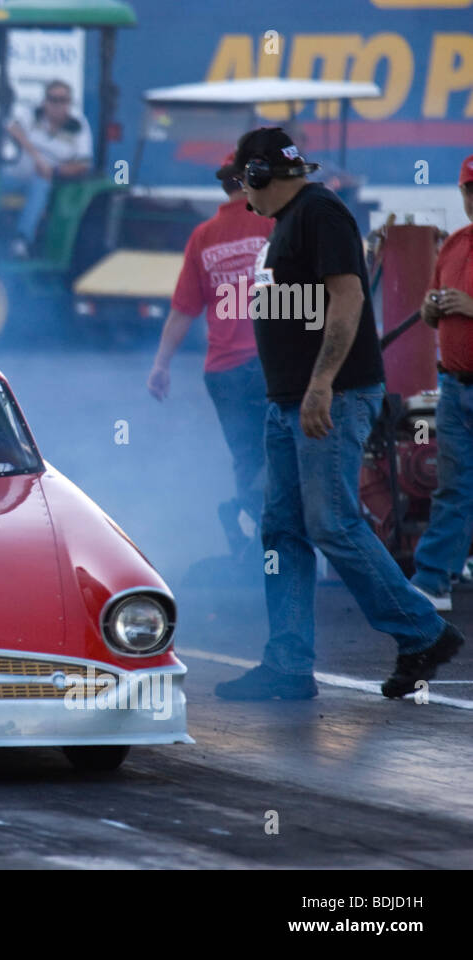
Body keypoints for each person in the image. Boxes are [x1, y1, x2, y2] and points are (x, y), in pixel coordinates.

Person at [212, 127, 464, 701]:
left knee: (332, 523)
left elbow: (347, 298)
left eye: (245, 184)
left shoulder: (319, 214)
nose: (244, 198)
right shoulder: (290, 224)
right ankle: (288, 665)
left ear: (257, 177)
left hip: (328, 398)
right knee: (283, 530)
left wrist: (321, 385)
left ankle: (424, 632)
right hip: (291, 402)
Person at [148, 153, 272, 556]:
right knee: (284, 451)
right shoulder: (275, 223)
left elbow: (184, 308)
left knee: (246, 456)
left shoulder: (204, 235)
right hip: (273, 365)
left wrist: (161, 365)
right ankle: (276, 538)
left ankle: (251, 534)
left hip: (223, 372)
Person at [407, 153, 473, 611]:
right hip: (455, 387)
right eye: (470, 189)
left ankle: (436, 574)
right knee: (452, 485)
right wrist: (433, 310)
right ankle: (434, 580)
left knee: (456, 485)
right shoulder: (454, 244)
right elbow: (430, 307)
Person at [3, 79, 92, 257]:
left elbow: (83, 164)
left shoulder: (78, 126)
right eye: (53, 99)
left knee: (40, 184)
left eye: (63, 100)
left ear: (69, 103)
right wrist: (36, 155)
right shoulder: (32, 115)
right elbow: (12, 128)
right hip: (16, 174)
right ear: (45, 101)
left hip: (48, 178)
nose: (57, 105)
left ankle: (22, 240)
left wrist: (54, 170)